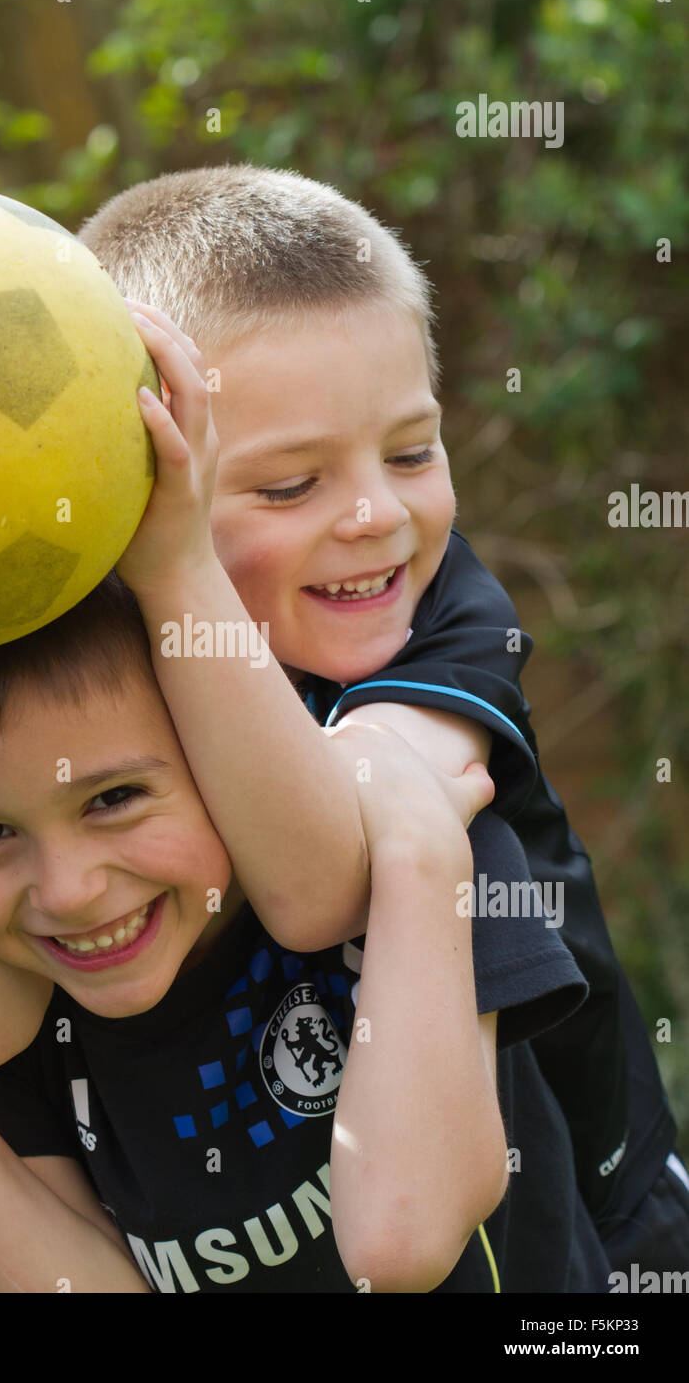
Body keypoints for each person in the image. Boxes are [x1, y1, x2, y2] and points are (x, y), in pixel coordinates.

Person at [71, 163, 689, 1272]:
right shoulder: (101, 658)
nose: (374, 515)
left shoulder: (450, 617)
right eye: (288, 486)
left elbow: (321, 882)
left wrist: (176, 572)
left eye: (411, 453)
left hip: (599, 1226)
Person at [0, 558, 609, 1291]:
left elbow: (402, 1241)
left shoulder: (413, 859)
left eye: (114, 799)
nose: (70, 891)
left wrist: (422, 858)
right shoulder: (17, 1008)